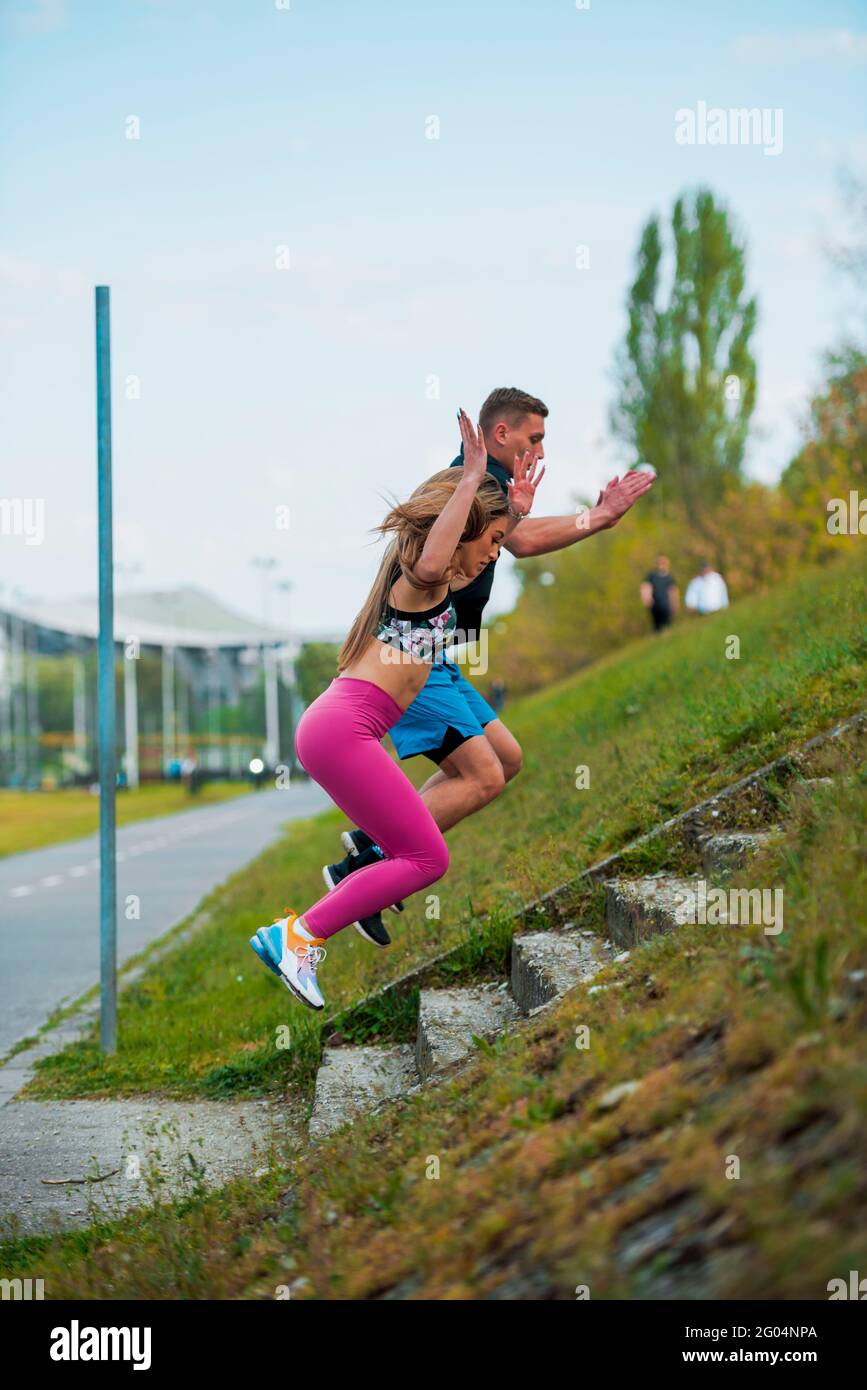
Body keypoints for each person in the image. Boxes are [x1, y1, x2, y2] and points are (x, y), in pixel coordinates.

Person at [327, 386, 656, 945]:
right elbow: (441, 561)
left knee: (506, 760)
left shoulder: (490, 488)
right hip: (412, 662)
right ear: (500, 434)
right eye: (535, 438)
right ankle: (367, 867)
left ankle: (367, 846)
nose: (540, 450)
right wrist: (596, 516)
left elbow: (520, 540)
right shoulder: (470, 486)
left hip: (439, 661)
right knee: (481, 776)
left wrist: (597, 518)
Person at [248, 412, 544, 1010]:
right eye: (490, 542)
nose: (496, 553)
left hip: (342, 730)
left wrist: (514, 512)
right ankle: (298, 936)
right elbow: (438, 559)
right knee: (427, 857)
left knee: (421, 852)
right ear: (458, 530)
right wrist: (469, 483)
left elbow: (474, 549)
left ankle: (313, 920)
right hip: (341, 732)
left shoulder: (447, 587)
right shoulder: (421, 582)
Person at [640, 555, 679, 633]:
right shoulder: (652, 576)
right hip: (655, 605)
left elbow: (673, 591)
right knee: (656, 626)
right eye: (660, 563)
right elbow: (645, 587)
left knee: (666, 625)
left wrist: (675, 604)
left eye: (664, 563)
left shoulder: (669, 577)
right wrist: (646, 598)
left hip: (666, 605)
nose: (662, 565)